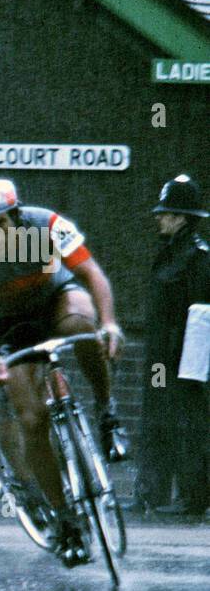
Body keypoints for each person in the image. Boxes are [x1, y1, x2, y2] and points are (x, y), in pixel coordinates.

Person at [0, 178, 127, 566]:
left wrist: (109, 323)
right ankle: (66, 521)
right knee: (31, 418)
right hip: (9, 325)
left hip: (57, 302)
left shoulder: (46, 224)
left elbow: (92, 274)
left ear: (16, 214)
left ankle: (106, 410)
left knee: (82, 326)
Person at [130, 174, 210, 517]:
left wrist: (194, 366)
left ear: (181, 217)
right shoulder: (168, 254)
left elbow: (202, 314)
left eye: (166, 213)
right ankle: (151, 492)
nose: (159, 218)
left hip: (183, 359)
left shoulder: (197, 257)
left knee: (187, 424)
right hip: (160, 358)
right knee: (156, 420)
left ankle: (193, 497)